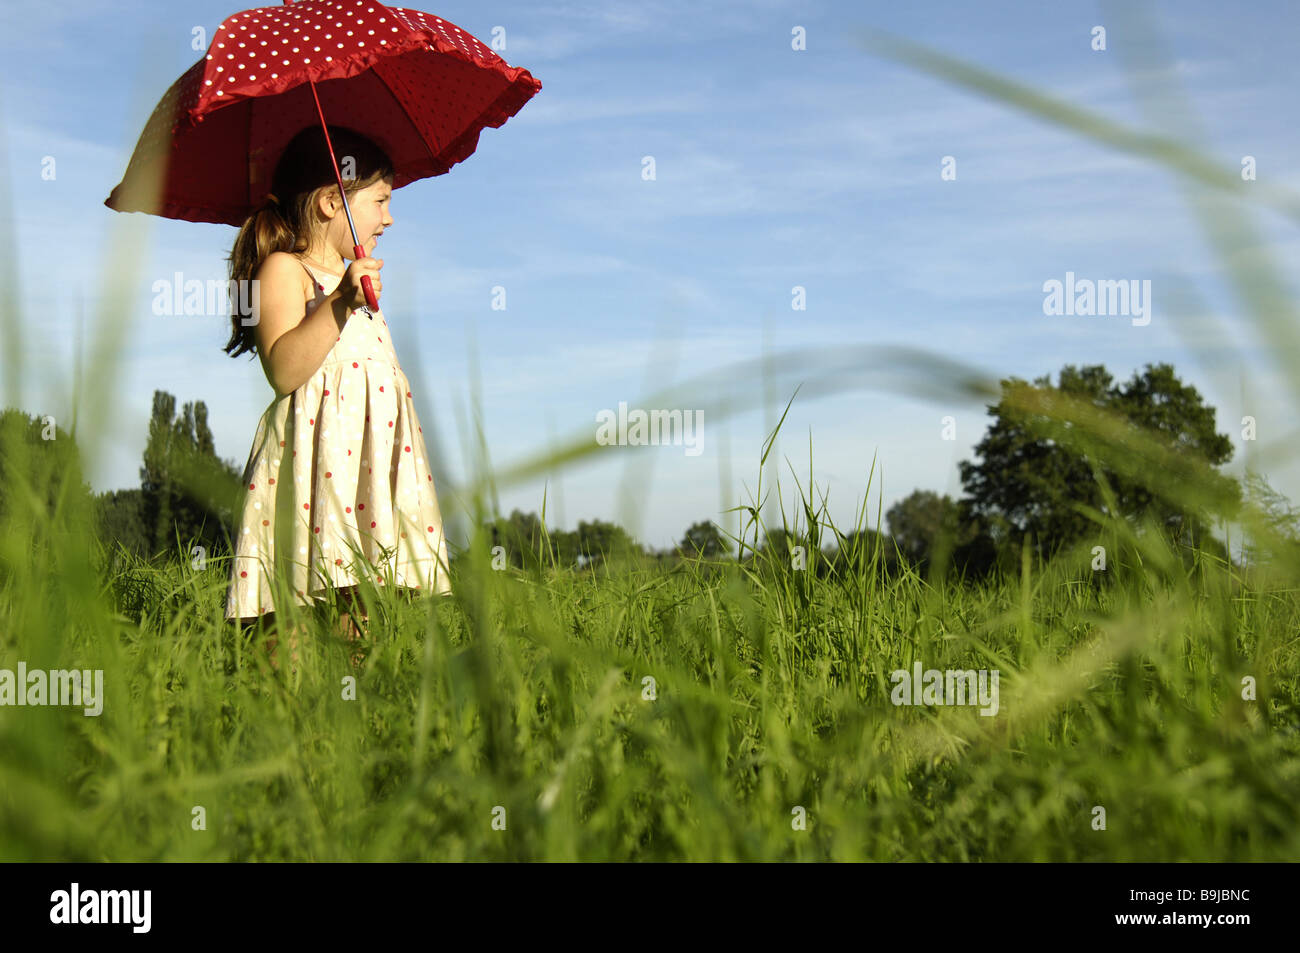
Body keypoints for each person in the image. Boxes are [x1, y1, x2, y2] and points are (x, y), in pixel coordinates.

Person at [221, 124, 452, 670]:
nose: (389, 218)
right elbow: (283, 369)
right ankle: (282, 723)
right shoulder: (285, 269)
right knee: (292, 607)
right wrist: (340, 302)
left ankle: (350, 723)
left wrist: (351, 295)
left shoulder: (356, 283)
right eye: (380, 200)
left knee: (360, 607)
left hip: (359, 472)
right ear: (332, 201)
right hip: (310, 467)